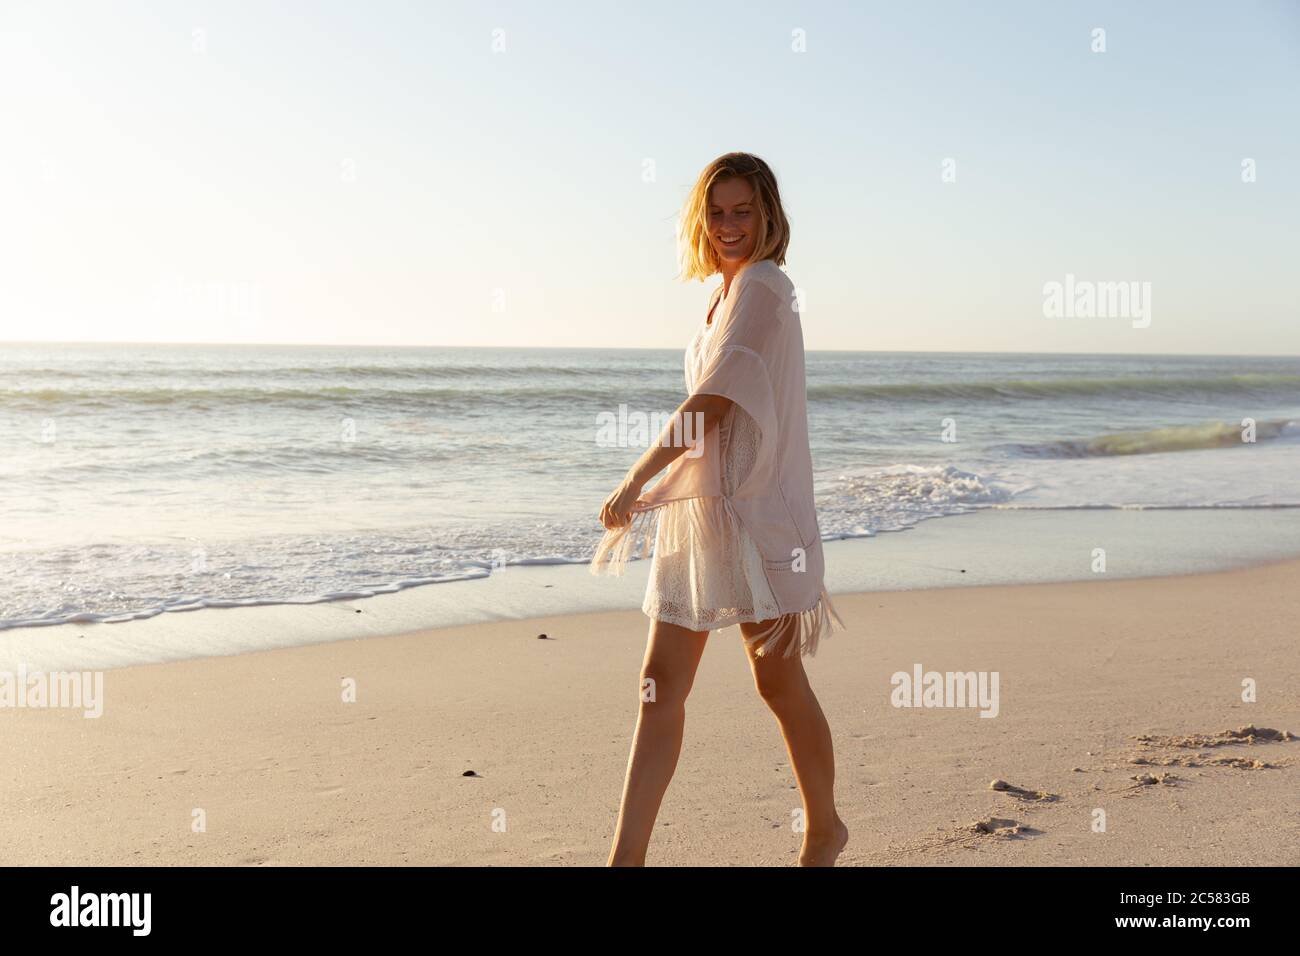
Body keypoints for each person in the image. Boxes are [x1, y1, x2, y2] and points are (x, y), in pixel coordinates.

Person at [590, 152, 848, 866]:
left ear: (768, 214)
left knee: (777, 678)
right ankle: (626, 861)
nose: (729, 226)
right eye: (717, 212)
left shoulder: (766, 286)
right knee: (659, 686)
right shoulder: (721, 292)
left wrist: (637, 475)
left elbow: (711, 402)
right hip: (704, 519)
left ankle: (824, 829)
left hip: (756, 516)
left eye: (743, 211)